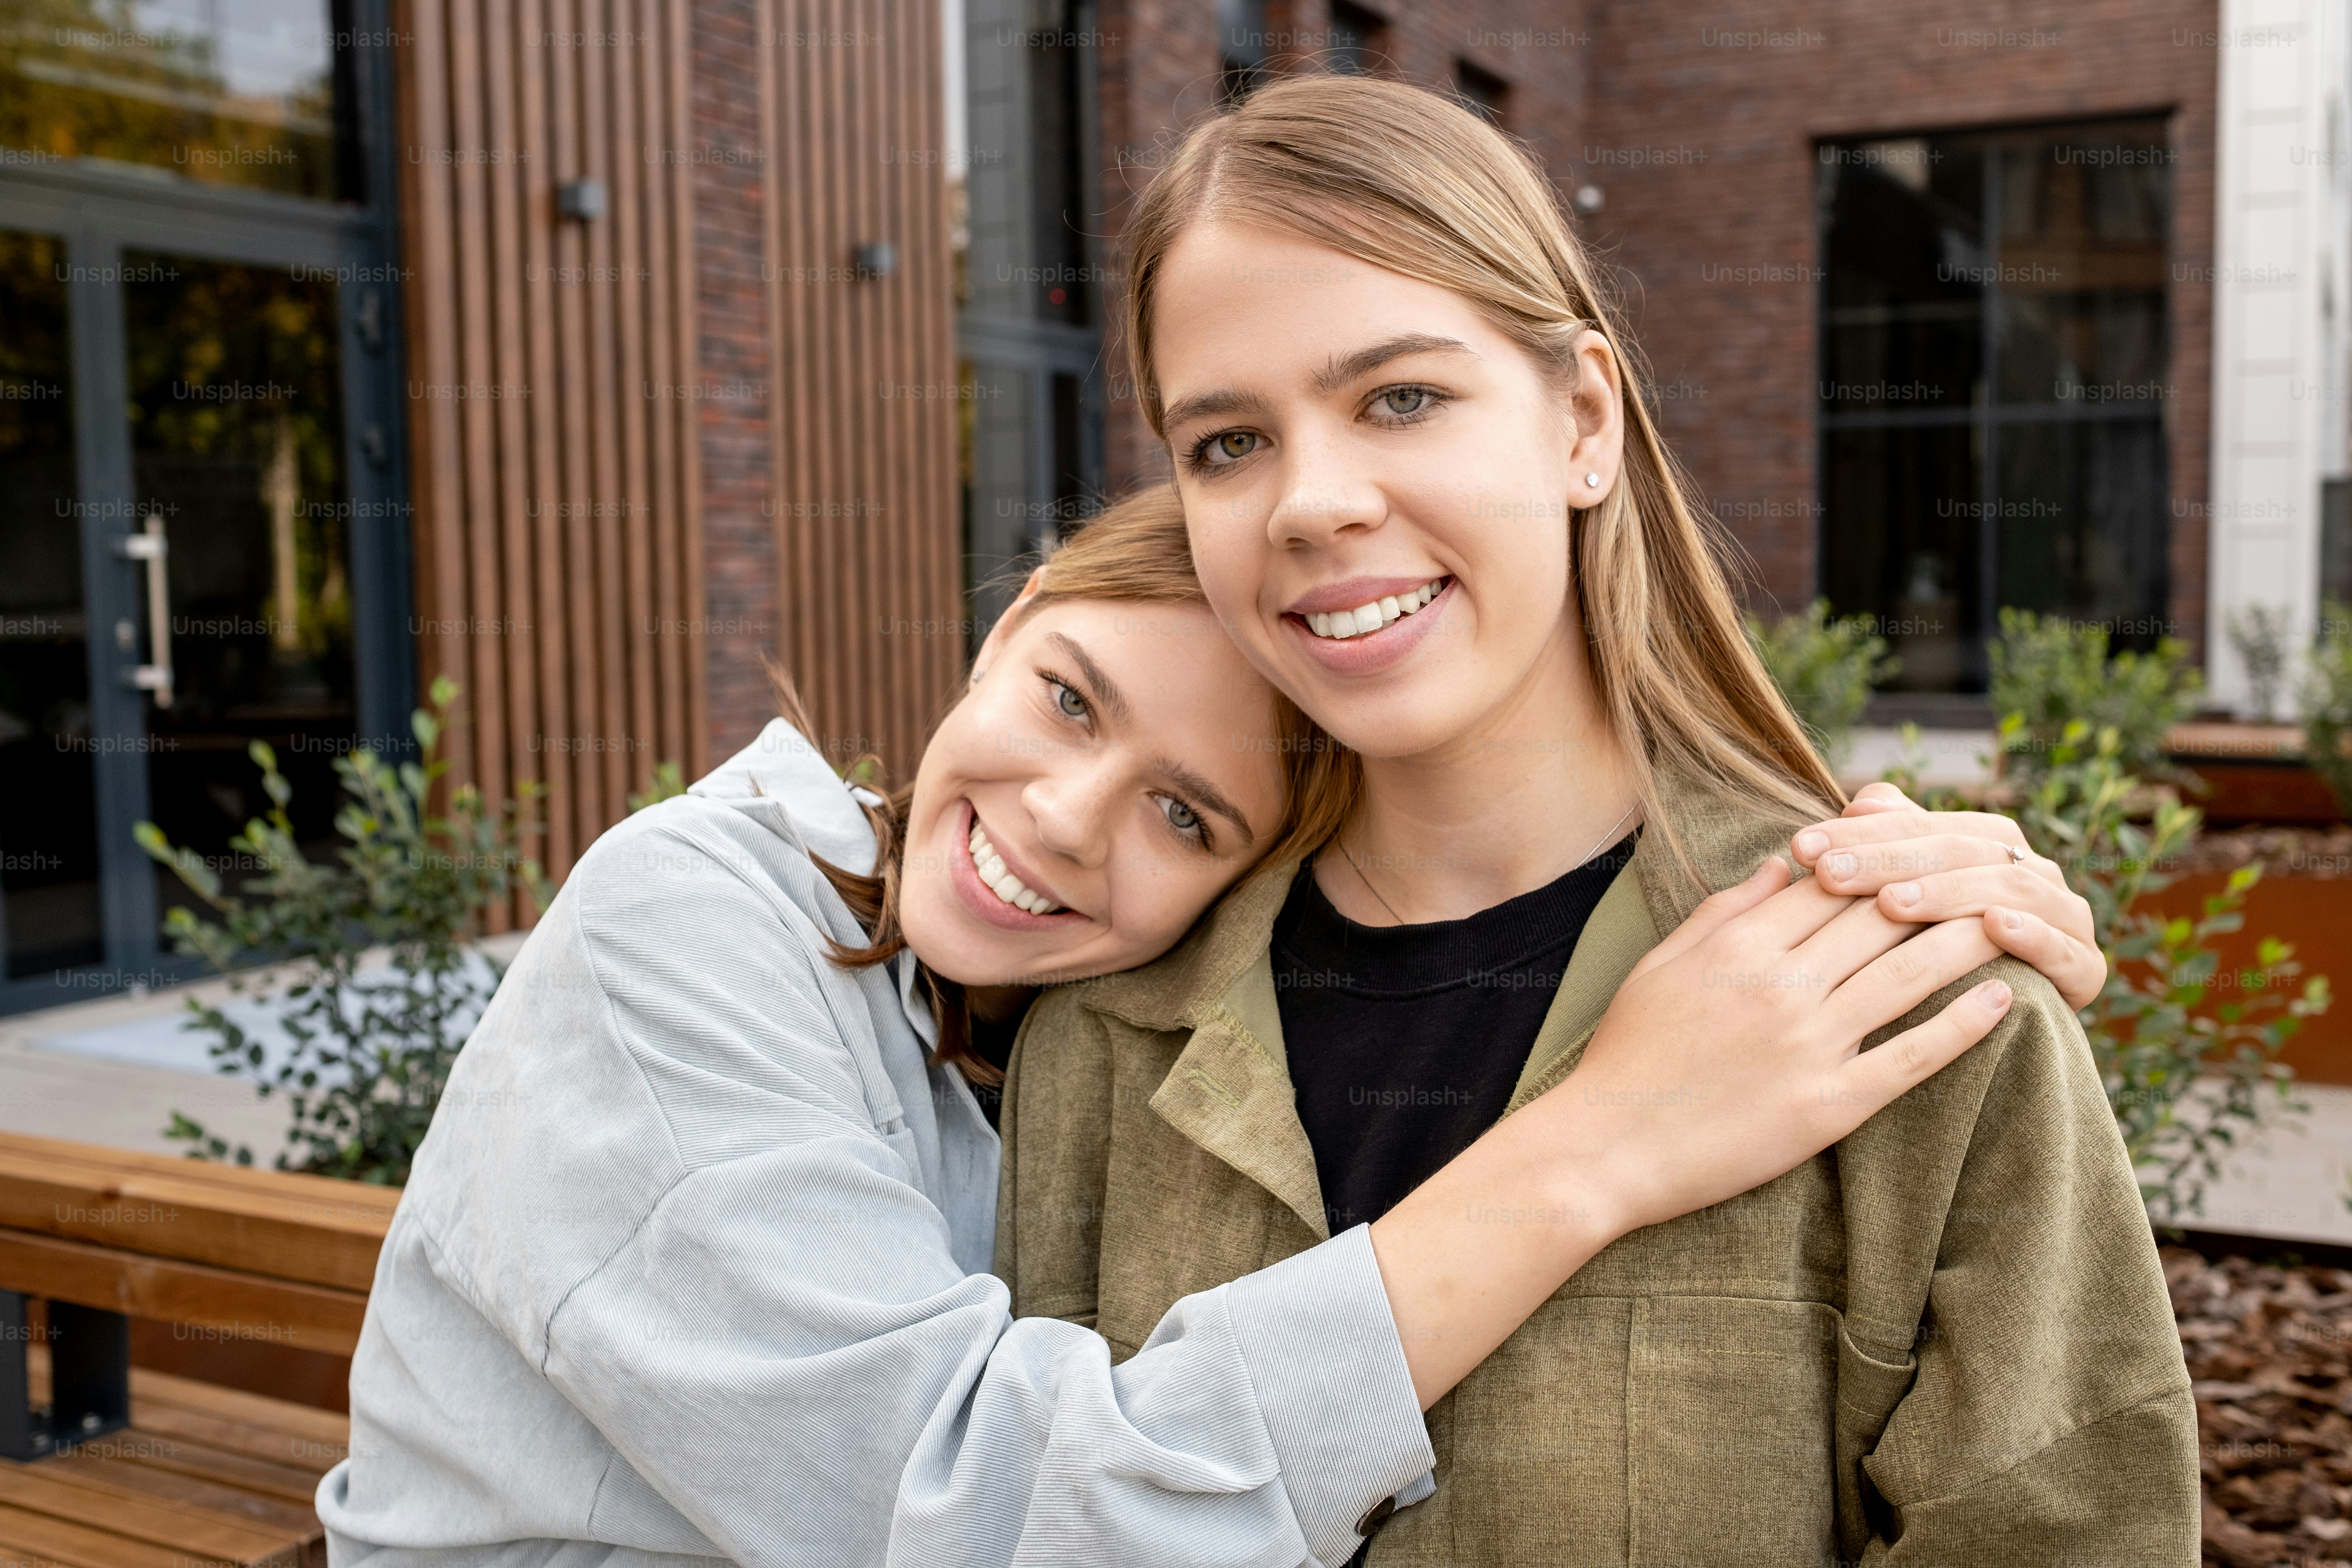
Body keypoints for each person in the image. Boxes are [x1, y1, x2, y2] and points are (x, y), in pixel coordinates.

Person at [321, 485, 2106, 1568]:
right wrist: (1602, 1144)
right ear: (1007, 619)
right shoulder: (690, 922)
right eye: (1066, 695)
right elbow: (984, 1514)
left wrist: (1906, 873)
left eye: (1189, 815)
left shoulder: (1073, 1004)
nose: (1067, 818)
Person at [996, 75, 2197, 1567]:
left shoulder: (1910, 998)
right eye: (1227, 442)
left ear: (1582, 419)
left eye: (1400, 397)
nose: (1311, 500)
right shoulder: (1105, 1031)